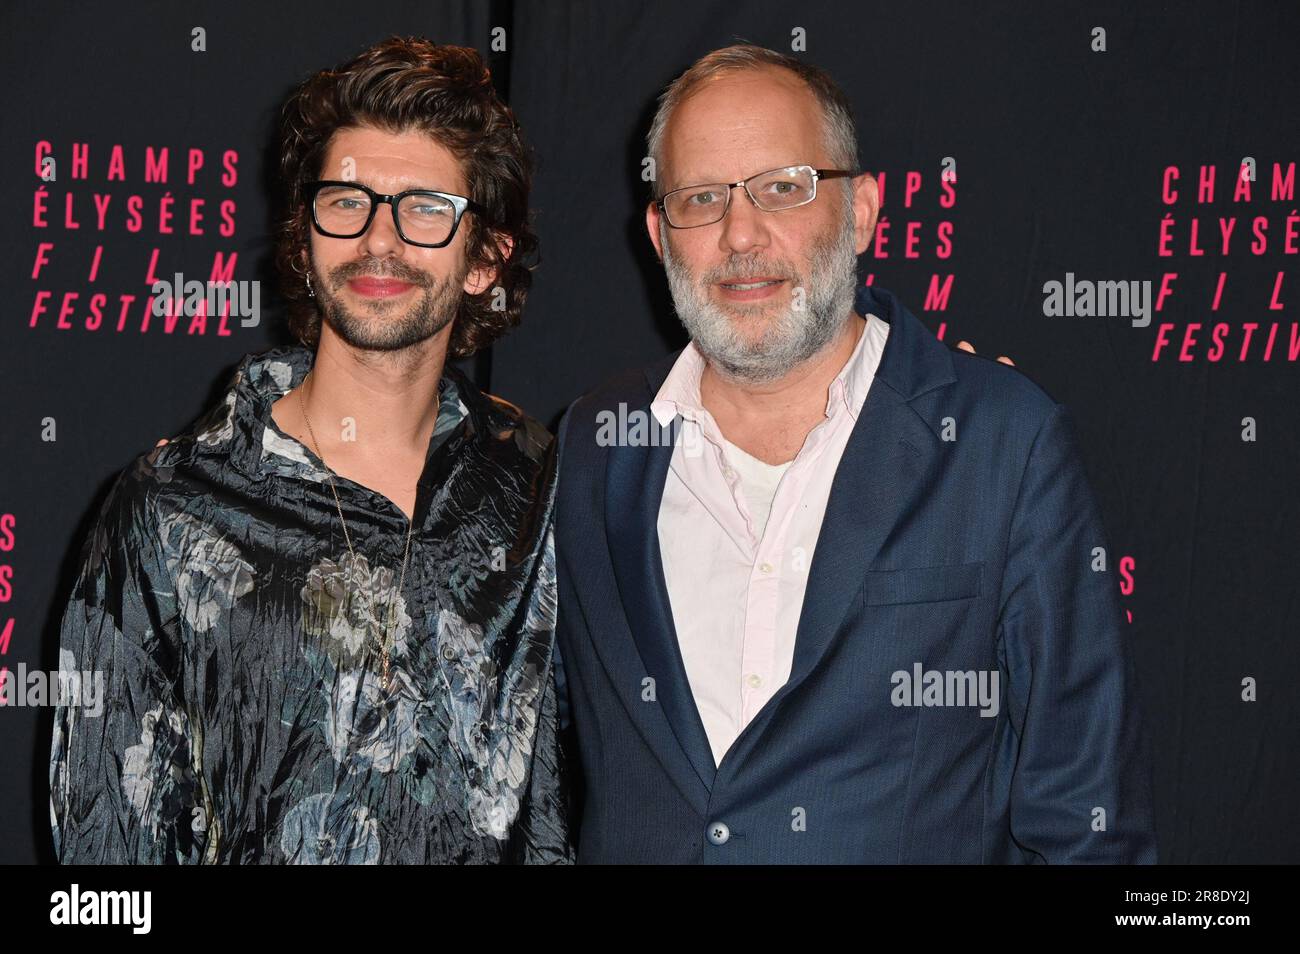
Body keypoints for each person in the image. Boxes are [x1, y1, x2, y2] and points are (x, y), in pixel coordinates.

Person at [552, 44, 1158, 863]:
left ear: (865, 210)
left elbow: (1086, 827)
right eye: (701, 198)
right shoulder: (592, 449)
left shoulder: (1001, 442)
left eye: (783, 188)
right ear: (660, 234)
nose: (740, 235)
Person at [49, 37, 572, 864]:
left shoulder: (548, 493)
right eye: (346, 200)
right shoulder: (170, 505)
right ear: (305, 235)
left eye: (426, 207)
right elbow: (105, 846)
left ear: (484, 260)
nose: (378, 239)